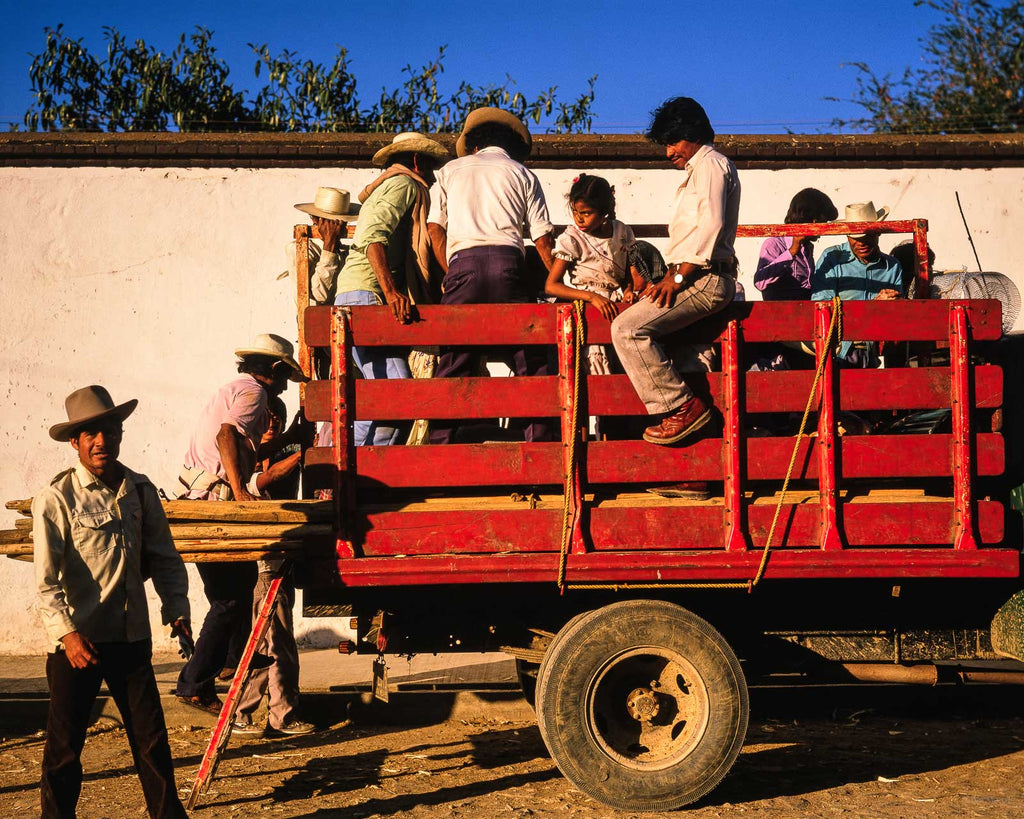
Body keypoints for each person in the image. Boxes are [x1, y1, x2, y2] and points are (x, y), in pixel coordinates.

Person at [33, 385, 190, 818]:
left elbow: (165, 557)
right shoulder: (56, 499)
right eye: (90, 434)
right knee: (64, 753)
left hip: (131, 637)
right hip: (78, 647)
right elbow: (46, 584)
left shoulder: (139, 491)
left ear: (119, 433)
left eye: (109, 430)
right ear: (75, 443)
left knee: (152, 743)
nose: (101, 441)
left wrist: (176, 610)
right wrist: (67, 636)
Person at [175, 334, 308, 716]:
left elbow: (241, 445)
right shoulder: (256, 395)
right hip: (214, 503)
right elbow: (226, 436)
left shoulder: (232, 389)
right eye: (285, 378)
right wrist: (239, 491)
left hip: (196, 498)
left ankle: (230, 664)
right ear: (276, 370)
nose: (284, 387)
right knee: (232, 597)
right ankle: (199, 679)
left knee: (231, 594)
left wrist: (290, 439)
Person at [298, 133, 449, 447]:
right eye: (432, 168)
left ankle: (362, 469)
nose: (434, 178)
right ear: (418, 162)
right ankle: (352, 466)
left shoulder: (392, 186)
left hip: (361, 293)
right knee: (397, 393)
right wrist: (392, 292)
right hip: (368, 295)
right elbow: (372, 238)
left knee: (386, 396)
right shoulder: (405, 185)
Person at [611, 96, 740, 448]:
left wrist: (678, 277)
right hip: (698, 274)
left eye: (673, 141)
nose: (668, 152)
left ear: (693, 134)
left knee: (626, 328)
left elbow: (710, 228)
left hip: (703, 277)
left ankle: (680, 407)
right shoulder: (702, 168)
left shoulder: (711, 165)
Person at [427, 107, 557, 444]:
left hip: (462, 267)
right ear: (510, 147)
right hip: (508, 265)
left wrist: (450, 271)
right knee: (530, 358)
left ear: (473, 146)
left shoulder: (448, 171)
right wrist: (559, 287)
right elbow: (543, 240)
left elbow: (434, 230)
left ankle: (439, 450)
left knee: (454, 360)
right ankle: (540, 444)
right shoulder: (522, 173)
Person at [232, 398, 312, 737]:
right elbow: (266, 479)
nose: (271, 424)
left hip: (276, 566)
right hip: (263, 571)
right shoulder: (243, 461)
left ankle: (245, 713)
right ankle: (281, 716)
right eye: (266, 418)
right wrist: (303, 454)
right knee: (277, 646)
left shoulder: (270, 456)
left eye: (276, 418)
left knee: (266, 645)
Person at [545, 174, 644, 375]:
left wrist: (628, 290)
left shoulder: (622, 232)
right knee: (596, 361)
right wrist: (593, 297)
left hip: (615, 305)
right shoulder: (572, 238)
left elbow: (626, 272)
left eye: (586, 213)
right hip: (587, 306)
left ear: (604, 211)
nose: (579, 218)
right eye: (575, 211)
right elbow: (552, 285)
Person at [812, 201, 903, 367]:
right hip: (839, 351)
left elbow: (897, 313)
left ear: (878, 234)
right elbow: (821, 306)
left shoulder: (893, 266)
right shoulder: (832, 258)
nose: (861, 243)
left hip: (874, 353)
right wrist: (873, 307)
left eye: (867, 236)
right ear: (847, 235)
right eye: (855, 238)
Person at [753, 188, 839, 301]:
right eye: (822, 223)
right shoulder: (774, 244)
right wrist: (791, 252)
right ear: (812, 220)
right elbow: (760, 282)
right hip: (780, 314)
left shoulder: (807, 247)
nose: (823, 230)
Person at [298, 187, 361, 306]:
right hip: (316, 321)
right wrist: (329, 248)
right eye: (332, 222)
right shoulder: (303, 249)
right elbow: (319, 295)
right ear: (316, 221)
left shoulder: (347, 253)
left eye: (342, 222)